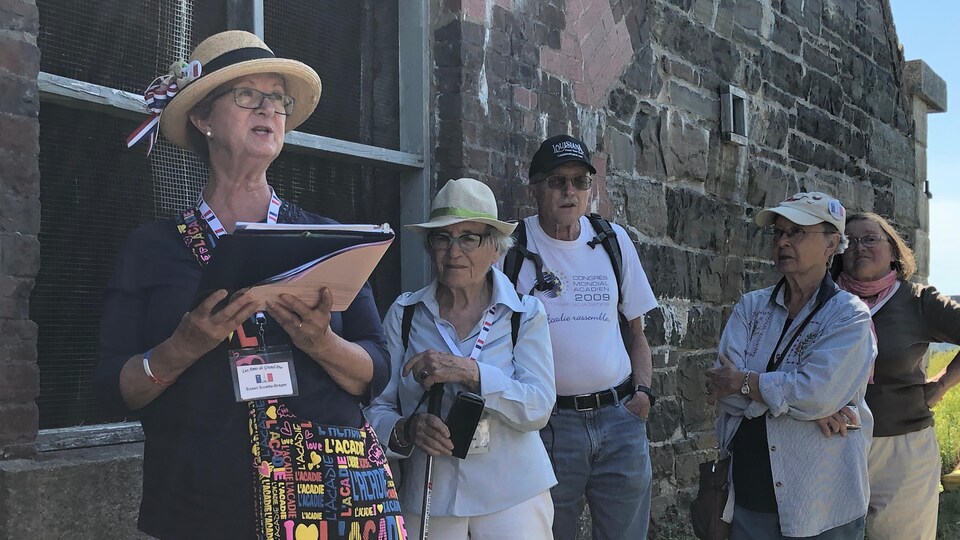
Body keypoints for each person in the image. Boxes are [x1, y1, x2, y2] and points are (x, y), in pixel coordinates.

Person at [95, 31, 403, 539]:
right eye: (247, 95)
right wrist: (180, 349)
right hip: (199, 507)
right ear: (202, 118)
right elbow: (114, 387)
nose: (269, 108)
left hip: (330, 504)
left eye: (277, 98)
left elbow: (375, 371)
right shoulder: (152, 249)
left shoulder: (330, 238)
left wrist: (321, 343)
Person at [365, 177, 557, 539]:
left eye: (469, 238)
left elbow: (539, 406)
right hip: (429, 497)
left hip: (512, 495)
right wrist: (407, 430)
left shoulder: (524, 314)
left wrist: (472, 373)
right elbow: (375, 411)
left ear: (496, 249)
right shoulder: (405, 314)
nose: (454, 252)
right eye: (442, 238)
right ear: (430, 247)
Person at [498, 134, 659, 540]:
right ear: (534, 187)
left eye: (580, 181)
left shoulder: (612, 240)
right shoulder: (512, 247)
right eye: (557, 181)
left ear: (591, 187)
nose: (570, 191)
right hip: (550, 426)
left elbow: (637, 332)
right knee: (549, 533)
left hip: (620, 418)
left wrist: (642, 394)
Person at [705, 192, 875, 539]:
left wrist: (748, 383)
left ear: (831, 244)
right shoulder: (751, 307)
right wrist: (809, 406)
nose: (782, 241)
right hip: (750, 497)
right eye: (778, 232)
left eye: (796, 232)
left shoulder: (849, 315)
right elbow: (724, 392)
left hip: (823, 502)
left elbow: (814, 393)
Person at [829, 212, 960, 540]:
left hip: (902, 449)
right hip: (831, 445)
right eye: (850, 241)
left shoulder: (918, 301)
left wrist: (943, 383)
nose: (859, 247)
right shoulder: (825, 301)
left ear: (894, 250)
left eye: (870, 238)